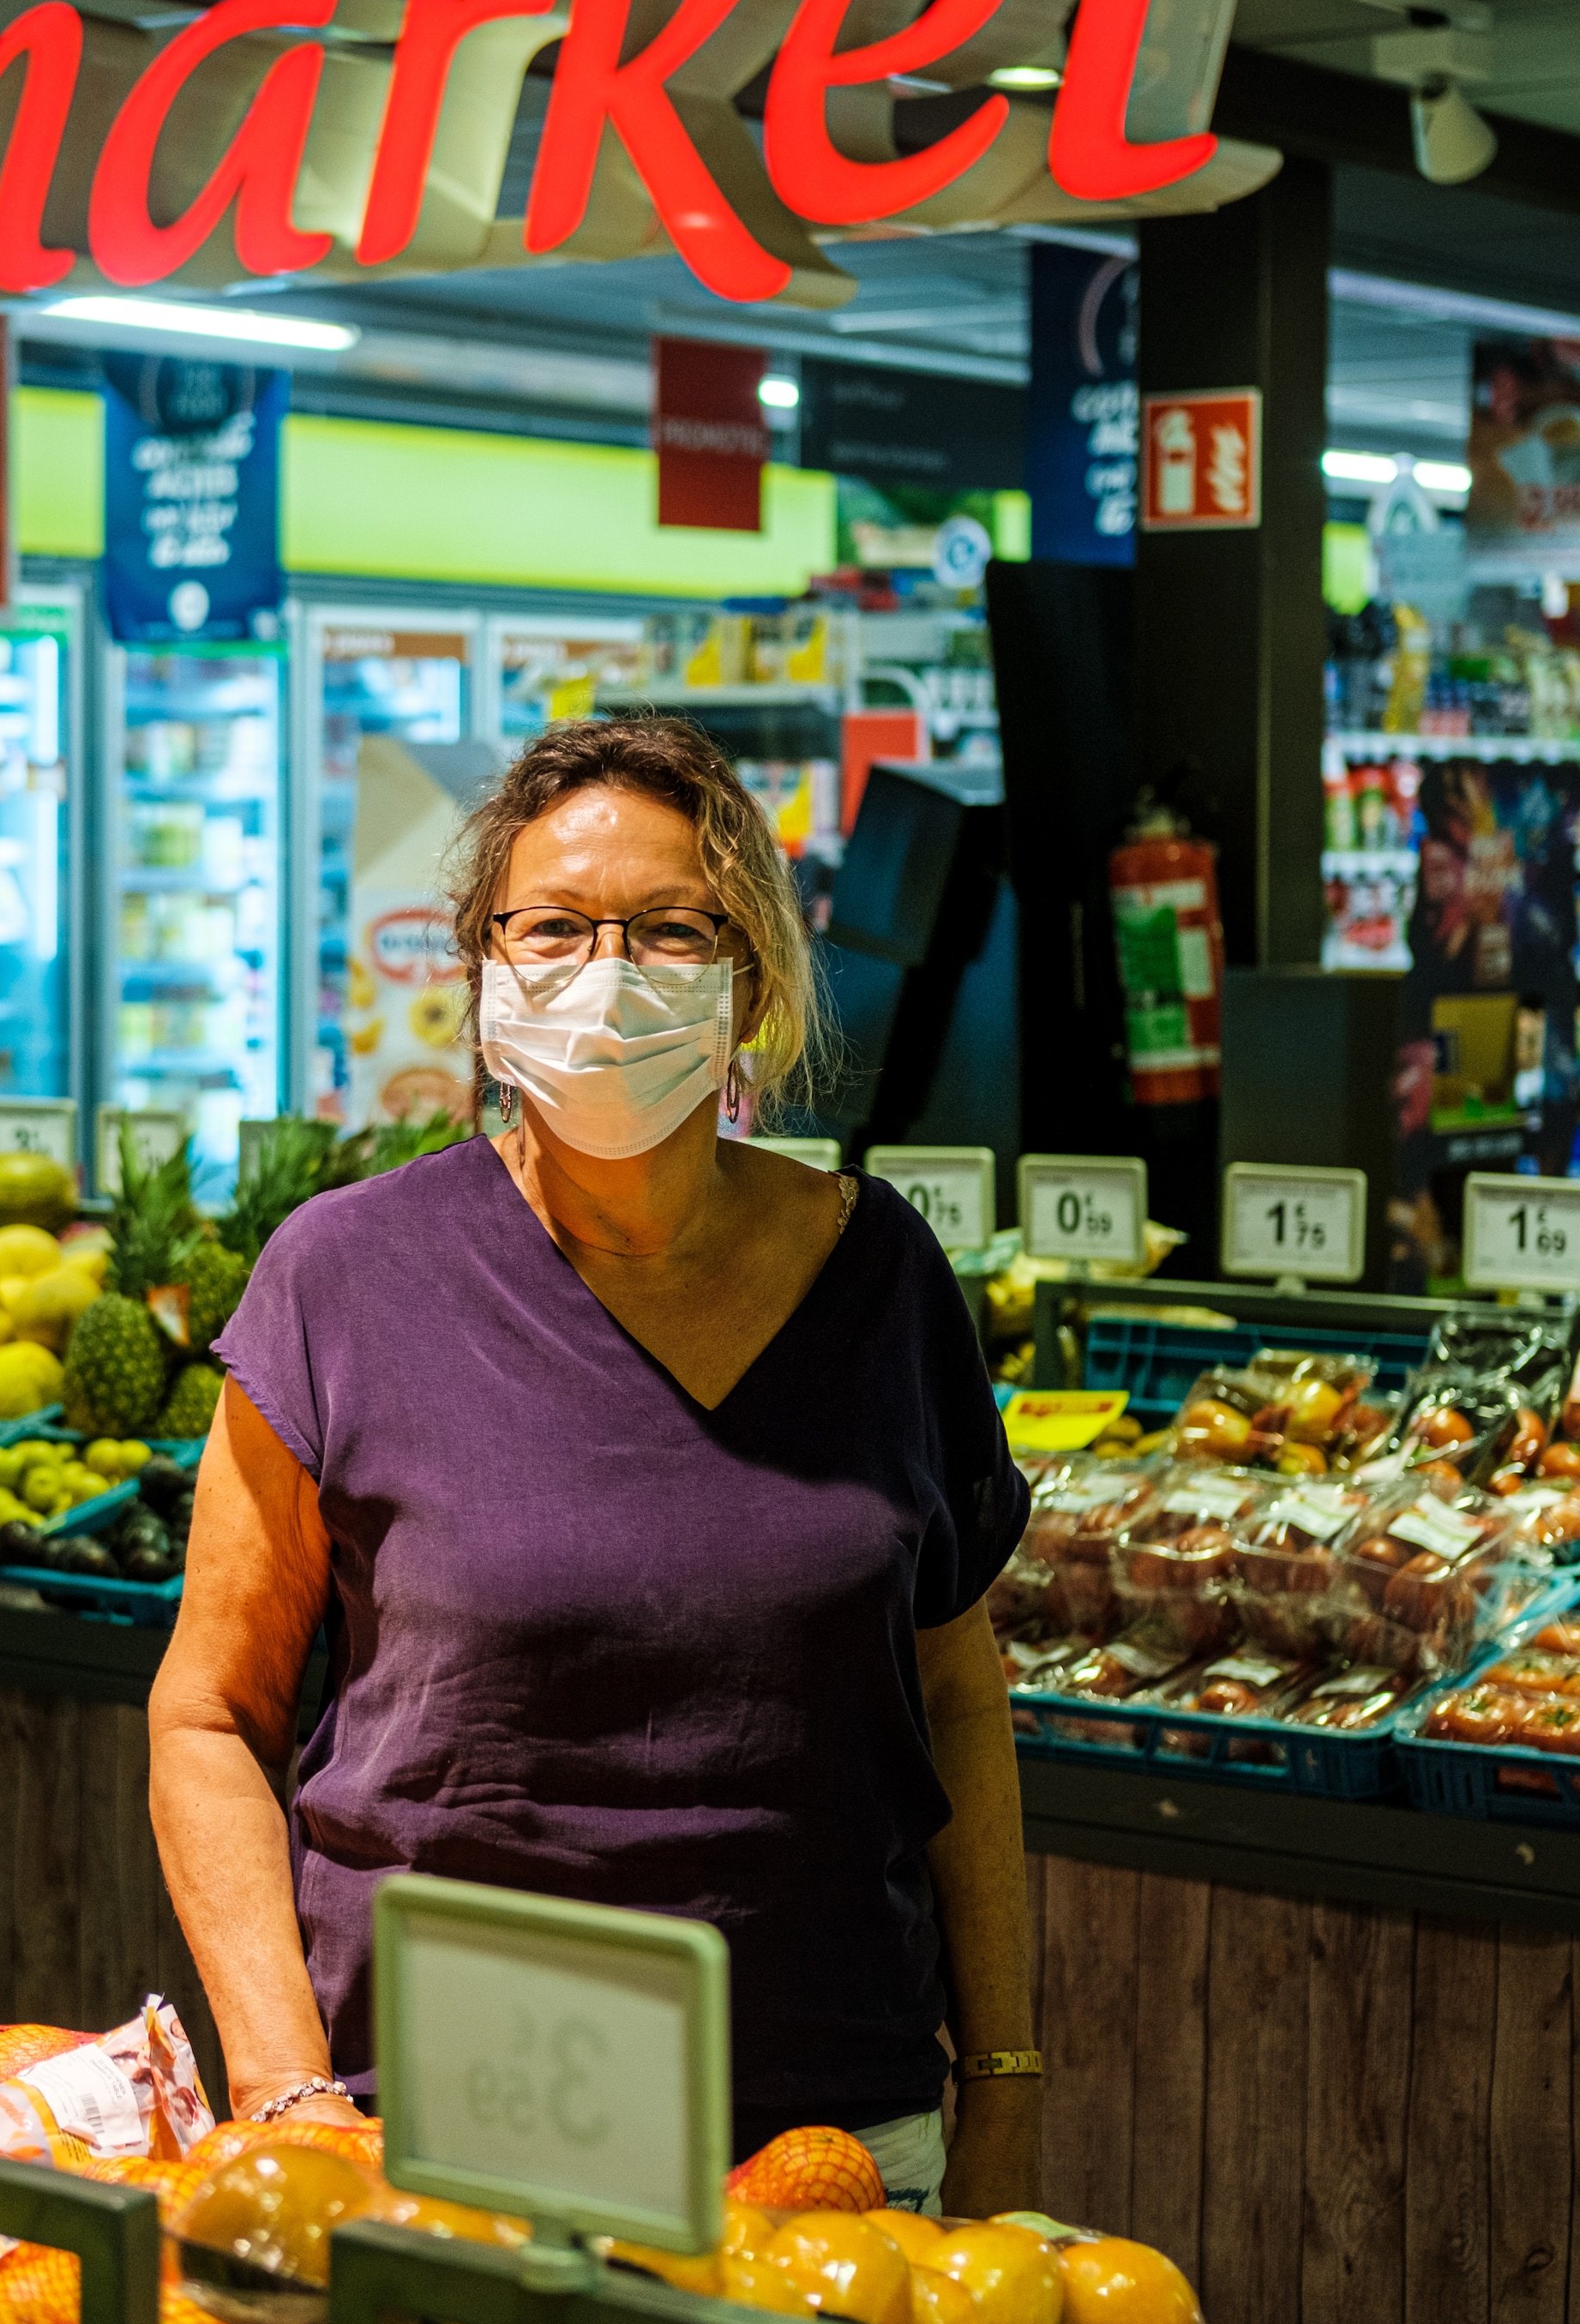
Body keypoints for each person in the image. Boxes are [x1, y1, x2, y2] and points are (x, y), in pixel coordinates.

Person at [148, 714, 1039, 2213]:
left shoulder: (881, 1275)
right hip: (440, 2135)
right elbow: (208, 1715)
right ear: (485, 970)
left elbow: (955, 1699)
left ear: (750, 980)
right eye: (554, 928)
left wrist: (1005, 2077)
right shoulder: (343, 1279)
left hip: (836, 2152)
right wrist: (284, 2087)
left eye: (672, 930)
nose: (608, 975)